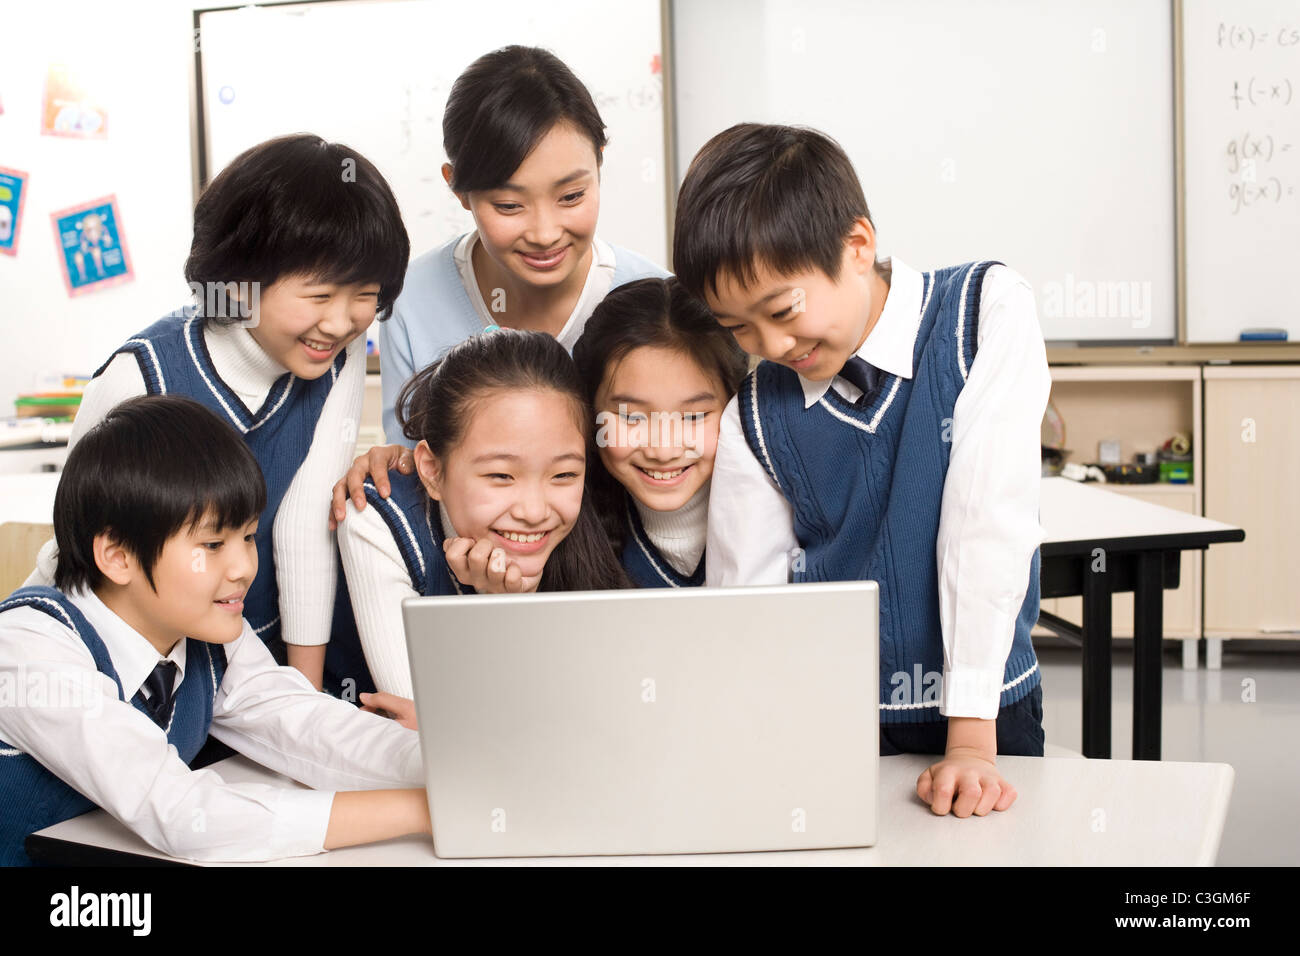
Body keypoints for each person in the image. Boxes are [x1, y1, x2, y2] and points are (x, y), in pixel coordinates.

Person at [674, 123, 1049, 817]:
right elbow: (749, 598)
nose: (772, 345)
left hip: (985, 709)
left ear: (857, 246)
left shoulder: (983, 313)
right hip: (833, 724)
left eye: (783, 310)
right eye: (738, 329)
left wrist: (968, 739)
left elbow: (985, 525)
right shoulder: (755, 411)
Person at [27, 133, 410, 690]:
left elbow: (306, 528)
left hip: (250, 655)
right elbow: (83, 555)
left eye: (364, 294)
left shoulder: (339, 355)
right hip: (131, 662)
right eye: (319, 295)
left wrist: (302, 698)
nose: (341, 321)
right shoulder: (141, 377)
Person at [0, 396, 428, 866]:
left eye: (247, 536)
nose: (244, 567)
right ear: (118, 556)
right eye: (212, 544)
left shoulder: (207, 631)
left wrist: (447, 768)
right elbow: (183, 814)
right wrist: (424, 810)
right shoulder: (29, 649)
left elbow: (308, 725)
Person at [339, 46, 669, 521]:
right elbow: (417, 468)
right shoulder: (411, 299)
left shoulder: (655, 300)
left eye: (572, 195)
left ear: (600, 161)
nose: (544, 232)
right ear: (458, 189)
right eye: (509, 206)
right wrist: (392, 463)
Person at [337, 328, 628, 700]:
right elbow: (423, 713)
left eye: (564, 474)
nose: (534, 512)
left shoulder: (587, 525)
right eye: (500, 476)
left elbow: (600, 702)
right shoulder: (375, 520)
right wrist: (494, 612)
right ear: (431, 470)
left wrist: (507, 604)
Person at [571, 277, 747, 587]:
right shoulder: (563, 530)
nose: (663, 451)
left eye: (693, 417)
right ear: (590, 413)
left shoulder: (785, 512)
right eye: (631, 417)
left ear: (736, 405)